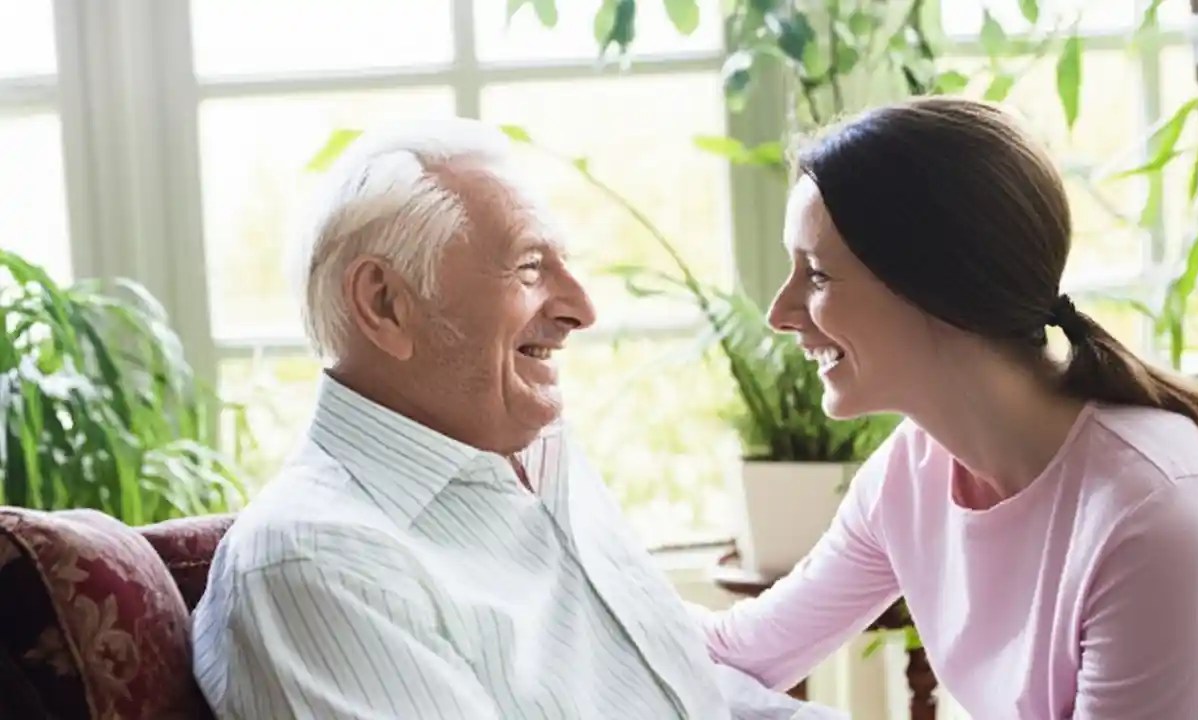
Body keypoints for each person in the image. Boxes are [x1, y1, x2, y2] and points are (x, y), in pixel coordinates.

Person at [190, 116, 846, 720]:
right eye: (530, 268)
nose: (582, 309)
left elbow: (682, 694)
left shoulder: (542, 458)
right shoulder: (316, 564)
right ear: (385, 303)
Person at [694, 97, 1198, 719]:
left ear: (932, 283)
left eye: (815, 275)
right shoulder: (909, 476)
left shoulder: (1152, 504)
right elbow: (738, 653)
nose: (780, 314)